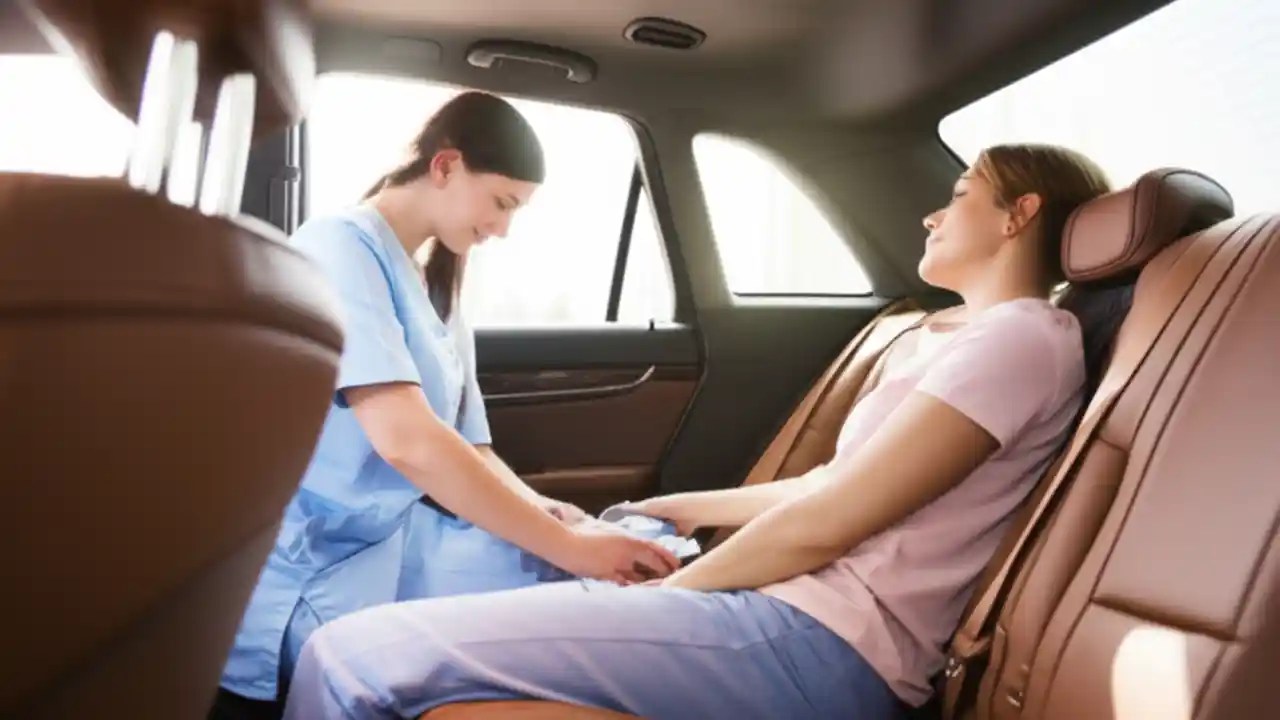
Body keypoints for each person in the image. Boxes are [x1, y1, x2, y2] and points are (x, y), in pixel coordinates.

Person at [279, 143, 1112, 720]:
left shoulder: (1026, 336)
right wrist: (674, 508)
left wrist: (676, 593)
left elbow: (831, 521)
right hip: (784, 616)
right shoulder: (961, 339)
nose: (935, 212)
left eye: (962, 193)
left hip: (819, 643)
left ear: (1020, 214)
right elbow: (834, 485)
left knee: (346, 659)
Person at [212, 91, 679, 719]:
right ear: (445, 166)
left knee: (608, 566)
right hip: (323, 558)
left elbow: (473, 444)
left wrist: (554, 517)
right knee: (564, 575)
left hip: (401, 540)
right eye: (502, 203)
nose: (503, 228)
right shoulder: (340, 246)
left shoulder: (437, 280)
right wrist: (567, 547)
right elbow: (406, 438)